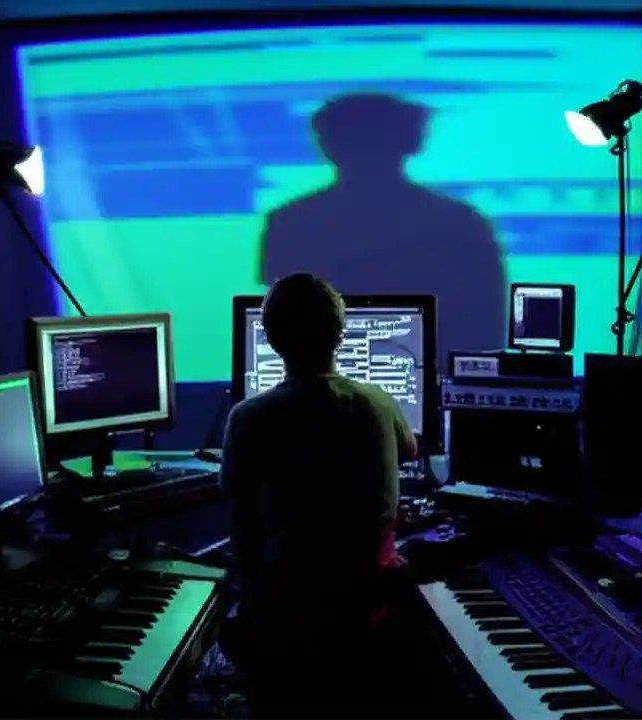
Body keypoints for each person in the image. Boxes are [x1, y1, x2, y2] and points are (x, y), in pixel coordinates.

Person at [220, 273, 417, 716]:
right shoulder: (380, 402)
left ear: (270, 338)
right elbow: (409, 450)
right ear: (341, 336)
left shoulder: (247, 418)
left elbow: (242, 536)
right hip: (368, 617)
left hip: (286, 632)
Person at [259, 93, 508, 367]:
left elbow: (280, 321)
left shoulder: (291, 221)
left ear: (326, 145)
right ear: (413, 140)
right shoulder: (462, 220)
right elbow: (487, 327)